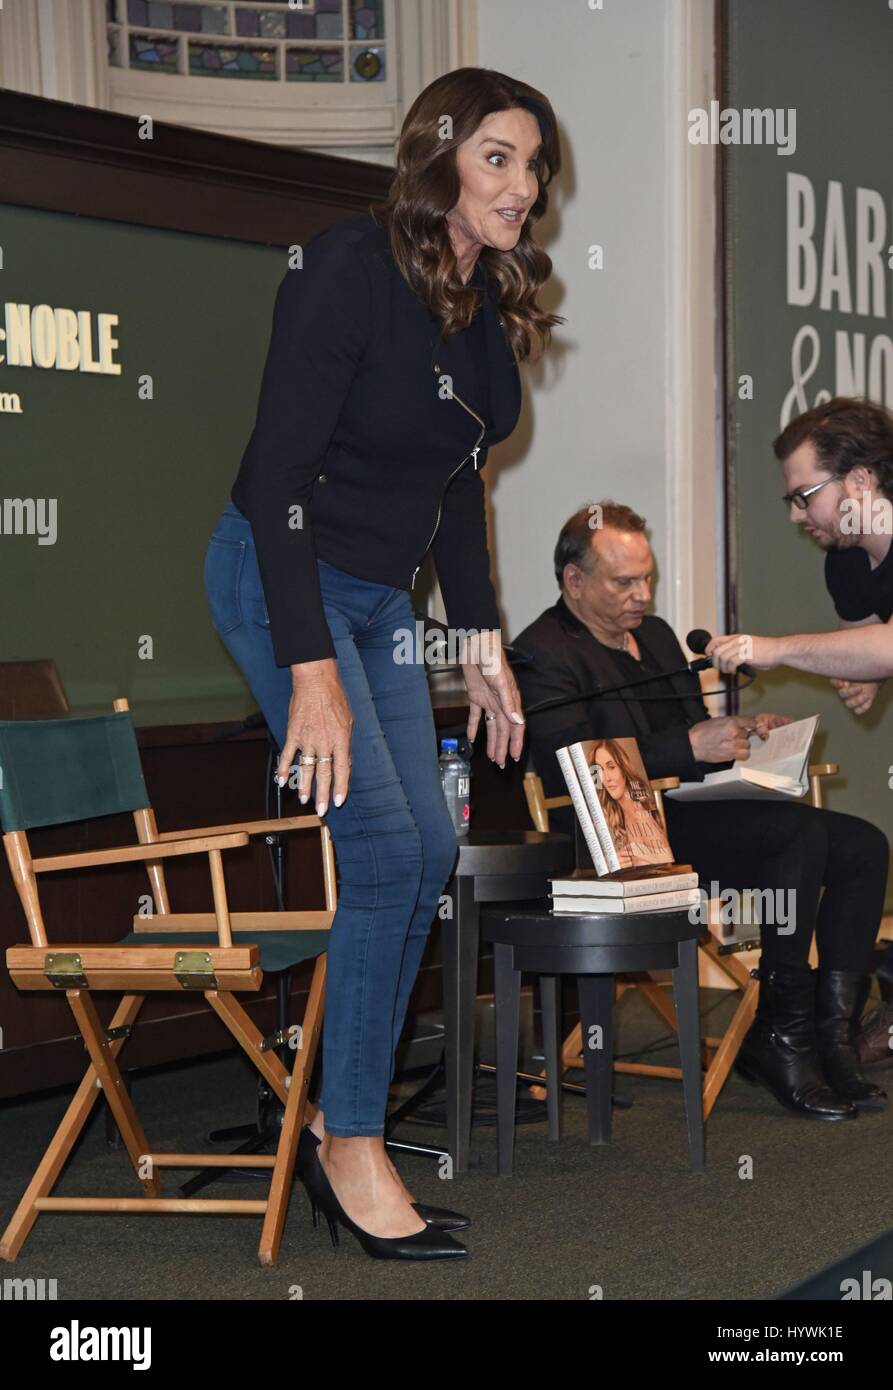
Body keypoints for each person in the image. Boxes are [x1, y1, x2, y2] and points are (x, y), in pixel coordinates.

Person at [204, 68, 563, 1260]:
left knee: (425, 852)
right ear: (441, 153)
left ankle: (339, 1130)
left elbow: (454, 494)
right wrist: (309, 665)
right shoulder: (345, 267)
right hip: (282, 580)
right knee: (383, 844)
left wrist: (483, 646)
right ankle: (347, 1142)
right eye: (500, 158)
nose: (522, 186)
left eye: (533, 166)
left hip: (382, 605)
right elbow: (272, 484)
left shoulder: (483, 313)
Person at [512, 502, 888, 1119]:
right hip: (613, 840)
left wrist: (743, 736)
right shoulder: (542, 652)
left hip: (683, 816)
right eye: (624, 582)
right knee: (794, 836)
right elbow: (568, 767)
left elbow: (691, 741)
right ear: (574, 582)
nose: (643, 594)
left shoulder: (656, 637)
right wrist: (687, 746)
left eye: (648, 578)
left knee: (862, 843)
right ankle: (781, 1033)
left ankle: (832, 1036)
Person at [706, 398, 893, 1065]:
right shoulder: (845, 563)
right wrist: (863, 676)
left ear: (862, 482)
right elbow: (869, 643)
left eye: (804, 495)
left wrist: (774, 647)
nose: (796, 516)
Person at [591, 739, 673, 868]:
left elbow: (664, 865)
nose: (606, 778)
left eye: (611, 767)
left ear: (624, 768)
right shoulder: (614, 813)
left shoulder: (640, 812)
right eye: (600, 770)